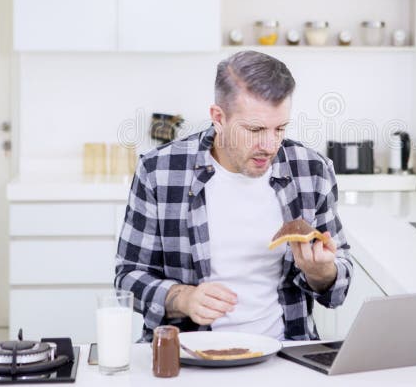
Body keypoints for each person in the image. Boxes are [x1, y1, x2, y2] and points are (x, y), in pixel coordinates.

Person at [115, 50, 352, 341]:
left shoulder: (312, 170)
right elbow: (128, 277)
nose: (269, 145)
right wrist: (182, 298)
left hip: (284, 353)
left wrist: (321, 273)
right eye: (254, 130)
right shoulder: (158, 171)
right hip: (187, 354)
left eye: (280, 128)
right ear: (218, 117)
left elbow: (338, 285)